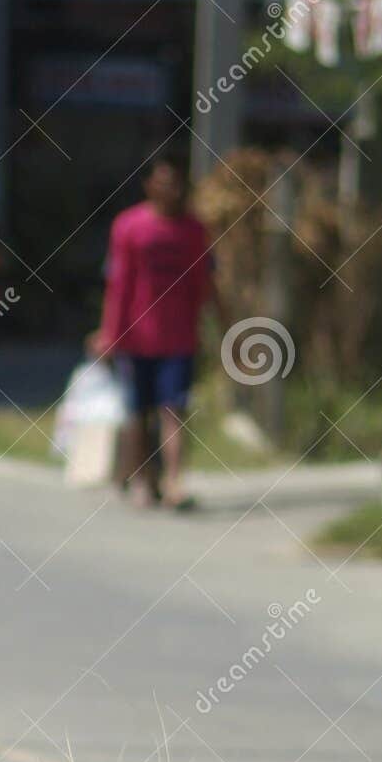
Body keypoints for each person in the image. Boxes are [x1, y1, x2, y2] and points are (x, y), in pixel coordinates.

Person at [93, 153, 224, 510]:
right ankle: (140, 480)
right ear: (149, 185)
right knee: (137, 413)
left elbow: (204, 286)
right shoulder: (129, 227)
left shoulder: (194, 231)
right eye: (162, 182)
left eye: (175, 182)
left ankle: (174, 481)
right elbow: (119, 285)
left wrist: (216, 327)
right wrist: (110, 334)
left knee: (173, 411)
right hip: (135, 338)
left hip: (179, 339)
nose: (170, 189)